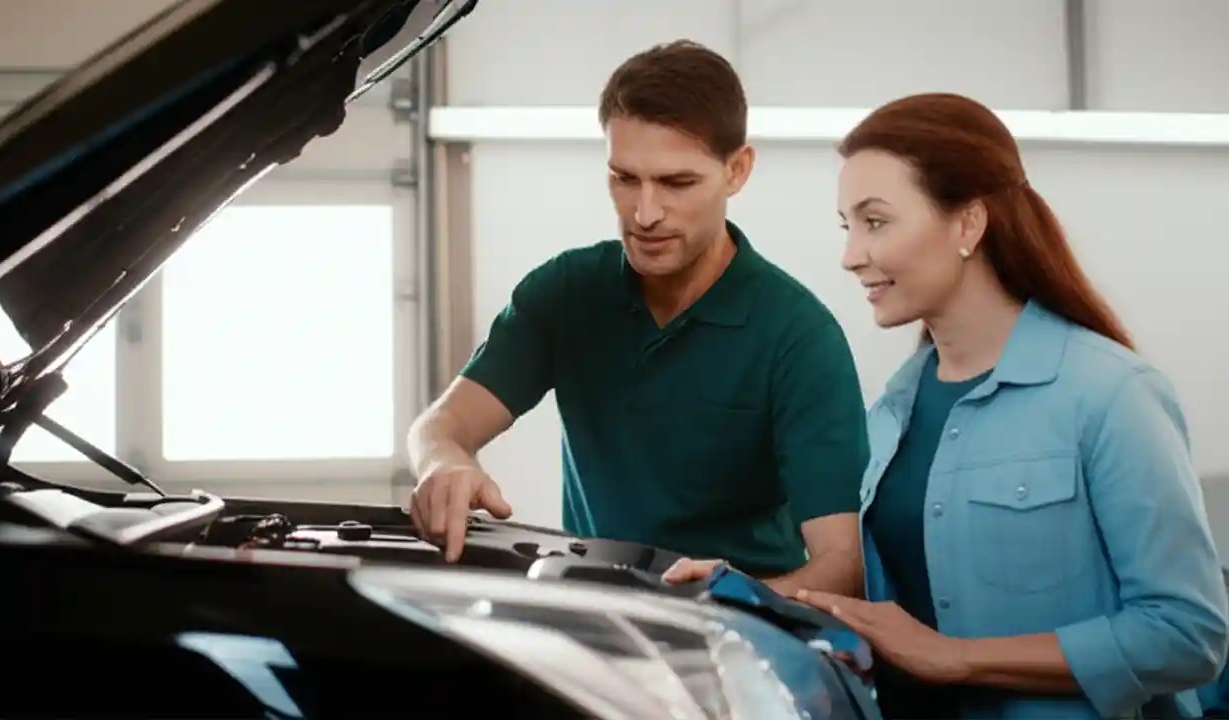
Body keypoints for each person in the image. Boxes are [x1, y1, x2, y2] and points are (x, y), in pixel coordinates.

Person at [787, 92, 1229, 719]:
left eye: (876, 222)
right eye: (847, 226)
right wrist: (736, 595)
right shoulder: (891, 412)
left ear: (968, 224)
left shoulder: (1111, 394)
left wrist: (960, 658)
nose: (851, 255)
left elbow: (1187, 634)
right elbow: (896, 599)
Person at [405, 40, 869, 596]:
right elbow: (440, 426)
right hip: (597, 614)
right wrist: (442, 463)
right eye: (624, 179)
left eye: (676, 183)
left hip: (741, 628)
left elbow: (844, 565)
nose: (645, 214)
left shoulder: (800, 337)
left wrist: (738, 593)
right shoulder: (565, 293)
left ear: (737, 170)